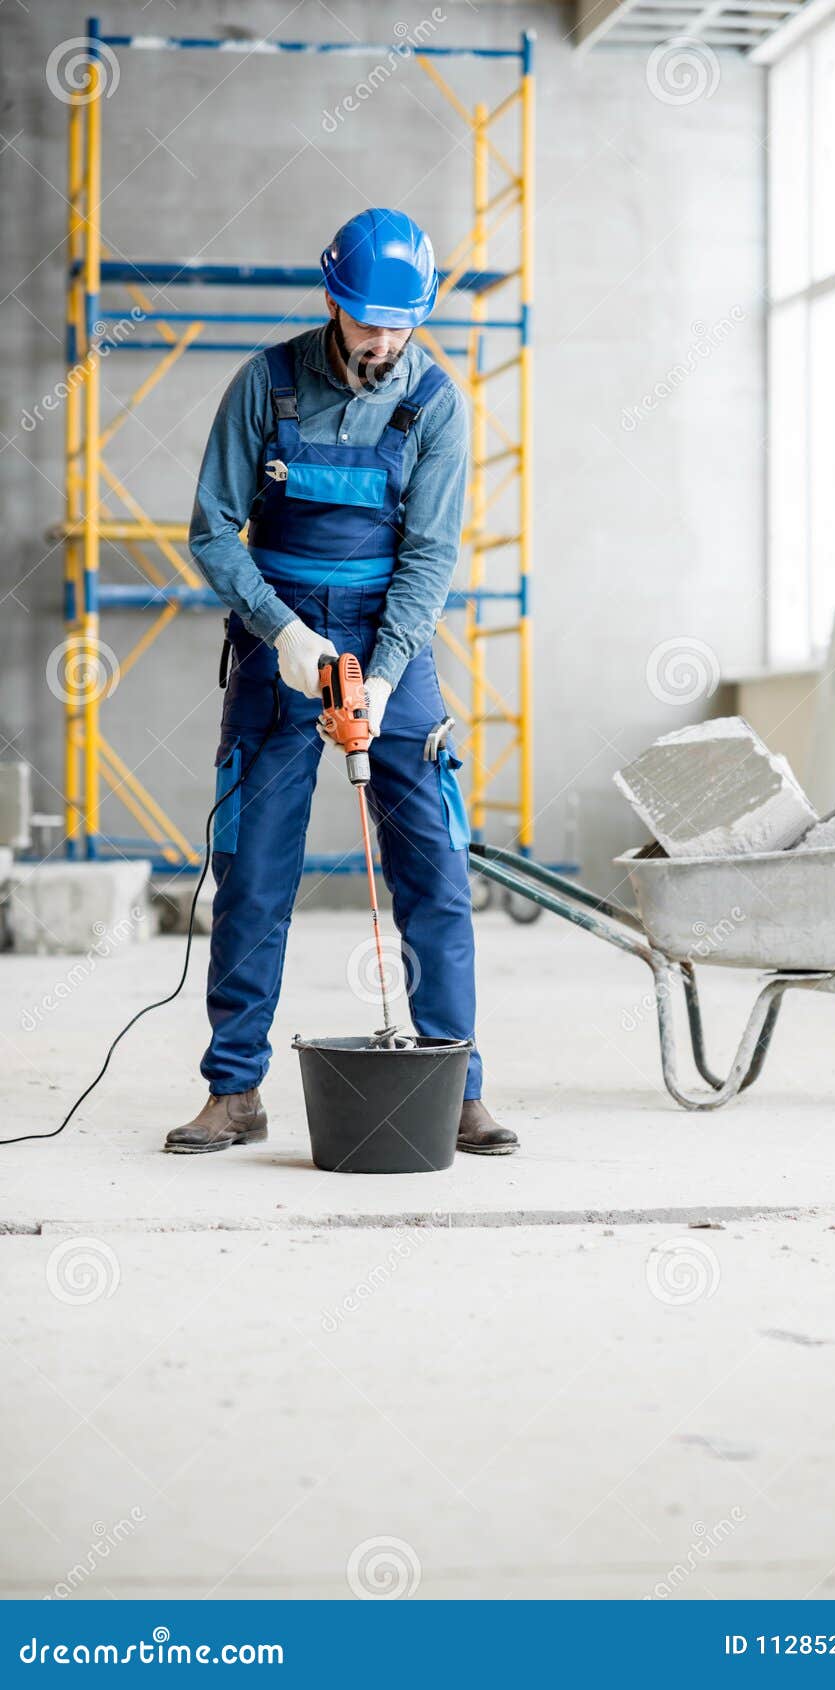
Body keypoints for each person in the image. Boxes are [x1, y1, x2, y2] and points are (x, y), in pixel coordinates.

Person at [166, 208, 516, 1158]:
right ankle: (234, 1090)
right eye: (367, 322)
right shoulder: (265, 386)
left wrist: (383, 674)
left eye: (400, 324)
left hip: (389, 643)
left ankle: (455, 1081)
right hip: (279, 642)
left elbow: (431, 557)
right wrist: (282, 635)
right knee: (253, 872)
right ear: (332, 302)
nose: (383, 342)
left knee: (435, 875)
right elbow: (210, 531)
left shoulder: (434, 405)